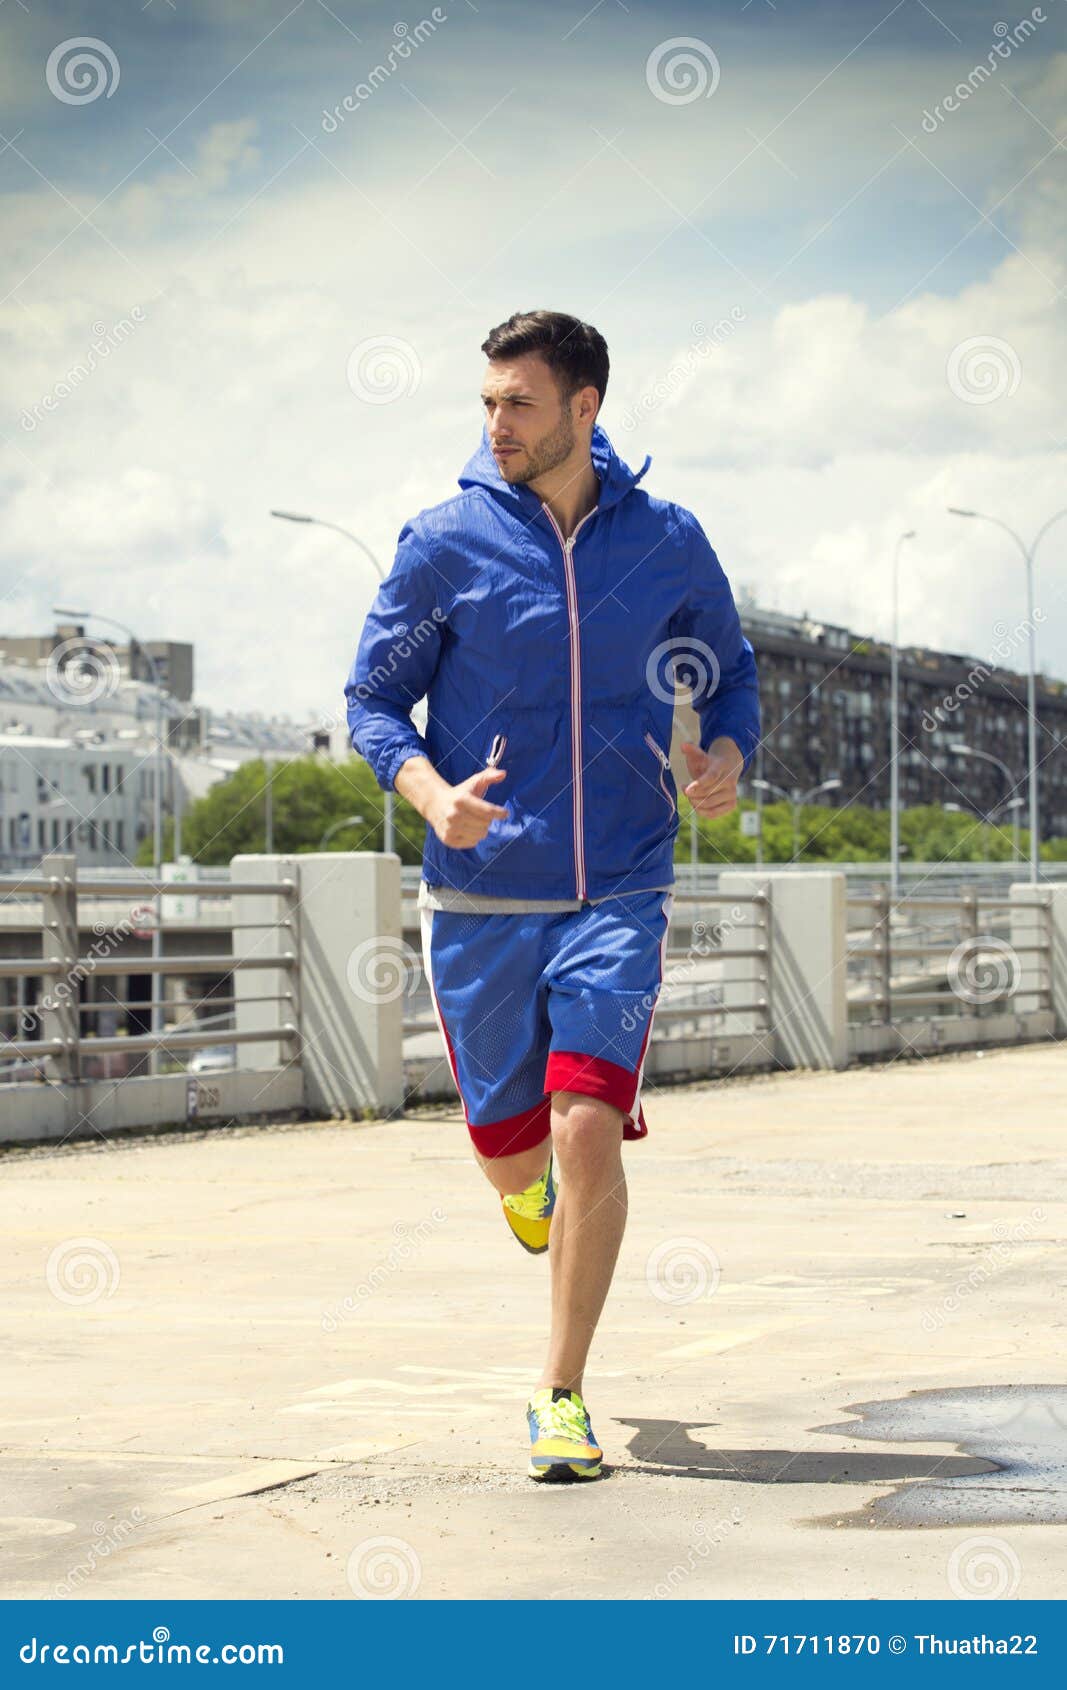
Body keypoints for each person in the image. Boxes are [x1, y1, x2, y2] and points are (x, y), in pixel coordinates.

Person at [345, 309, 759, 1481]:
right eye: (485, 402)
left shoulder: (665, 540)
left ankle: (559, 1390)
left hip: (620, 880)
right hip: (479, 894)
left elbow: (727, 667)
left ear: (584, 407)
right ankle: (515, 1184)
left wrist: (724, 750)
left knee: (587, 1129)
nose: (495, 424)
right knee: (509, 1147)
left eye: (517, 402)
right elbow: (372, 699)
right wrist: (429, 794)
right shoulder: (443, 542)